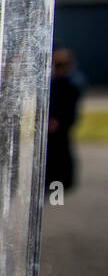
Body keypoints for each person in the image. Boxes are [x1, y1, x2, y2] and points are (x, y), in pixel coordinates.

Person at [46, 45, 84, 192]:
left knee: (62, 149)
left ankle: (62, 180)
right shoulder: (56, 83)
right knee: (54, 150)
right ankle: (54, 178)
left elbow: (69, 106)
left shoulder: (71, 83)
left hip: (63, 122)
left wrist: (59, 121)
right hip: (54, 122)